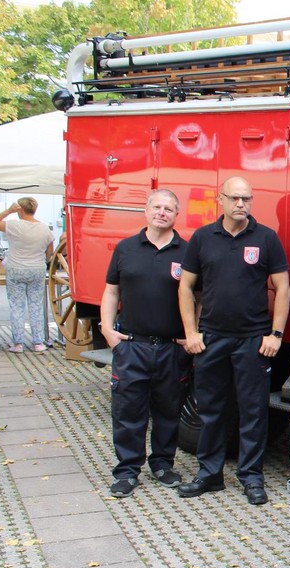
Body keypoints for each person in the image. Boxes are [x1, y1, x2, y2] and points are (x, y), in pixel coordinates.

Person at [178, 177, 290, 506]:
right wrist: (191, 333)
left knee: (254, 411)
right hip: (211, 339)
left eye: (247, 198)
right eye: (235, 198)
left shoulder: (266, 238)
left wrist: (276, 335)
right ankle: (209, 475)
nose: (241, 204)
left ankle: (251, 477)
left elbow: (282, 288)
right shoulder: (202, 238)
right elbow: (186, 287)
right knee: (212, 409)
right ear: (220, 200)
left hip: (252, 341)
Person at [100, 189, 192, 497]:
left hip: (170, 348)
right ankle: (127, 471)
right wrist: (107, 331)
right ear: (146, 210)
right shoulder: (126, 249)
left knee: (168, 412)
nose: (162, 212)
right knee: (128, 412)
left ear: (176, 215)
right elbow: (111, 291)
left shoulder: (187, 252)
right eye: (157, 206)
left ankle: (163, 464)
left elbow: (199, 297)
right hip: (131, 346)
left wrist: (192, 333)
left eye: (169, 208)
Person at [0, 198, 55, 353]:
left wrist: (8, 211)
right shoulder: (45, 229)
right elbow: (49, 253)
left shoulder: (14, 225)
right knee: (36, 305)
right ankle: (38, 342)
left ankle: (18, 343)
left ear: (20, 209)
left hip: (16, 268)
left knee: (17, 306)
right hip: (37, 268)